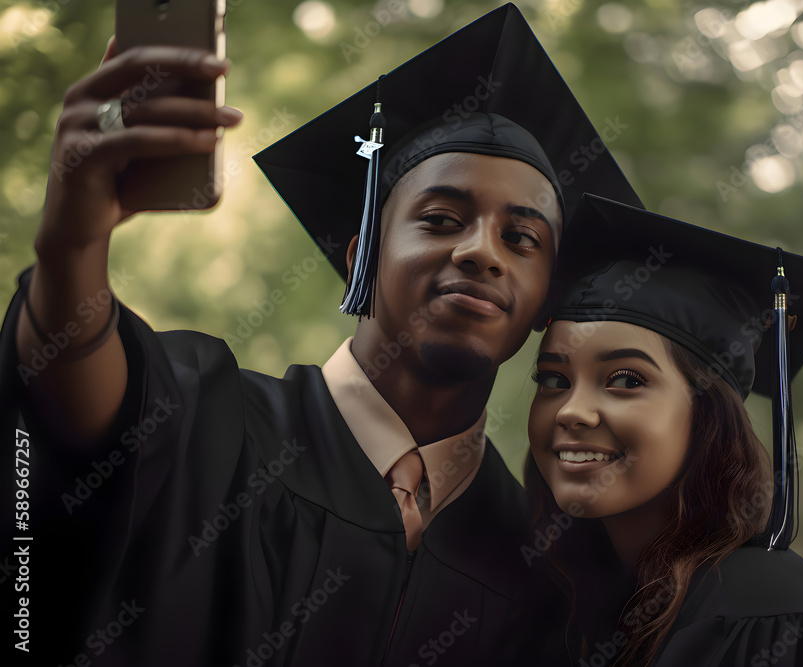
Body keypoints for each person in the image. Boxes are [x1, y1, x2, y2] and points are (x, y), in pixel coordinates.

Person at [0, 6, 640, 666]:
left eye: (522, 238)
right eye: (443, 218)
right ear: (360, 254)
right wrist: (72, 244)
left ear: (546, 301)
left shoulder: (538, 563)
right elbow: (70, 389)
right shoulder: (203, 415)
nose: (482, 252)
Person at [523, 195, 803, 666]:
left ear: (707, 416)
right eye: (553, 379)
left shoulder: (774, 619)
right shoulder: (577, 598)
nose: (571, 411)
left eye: (626, 380)